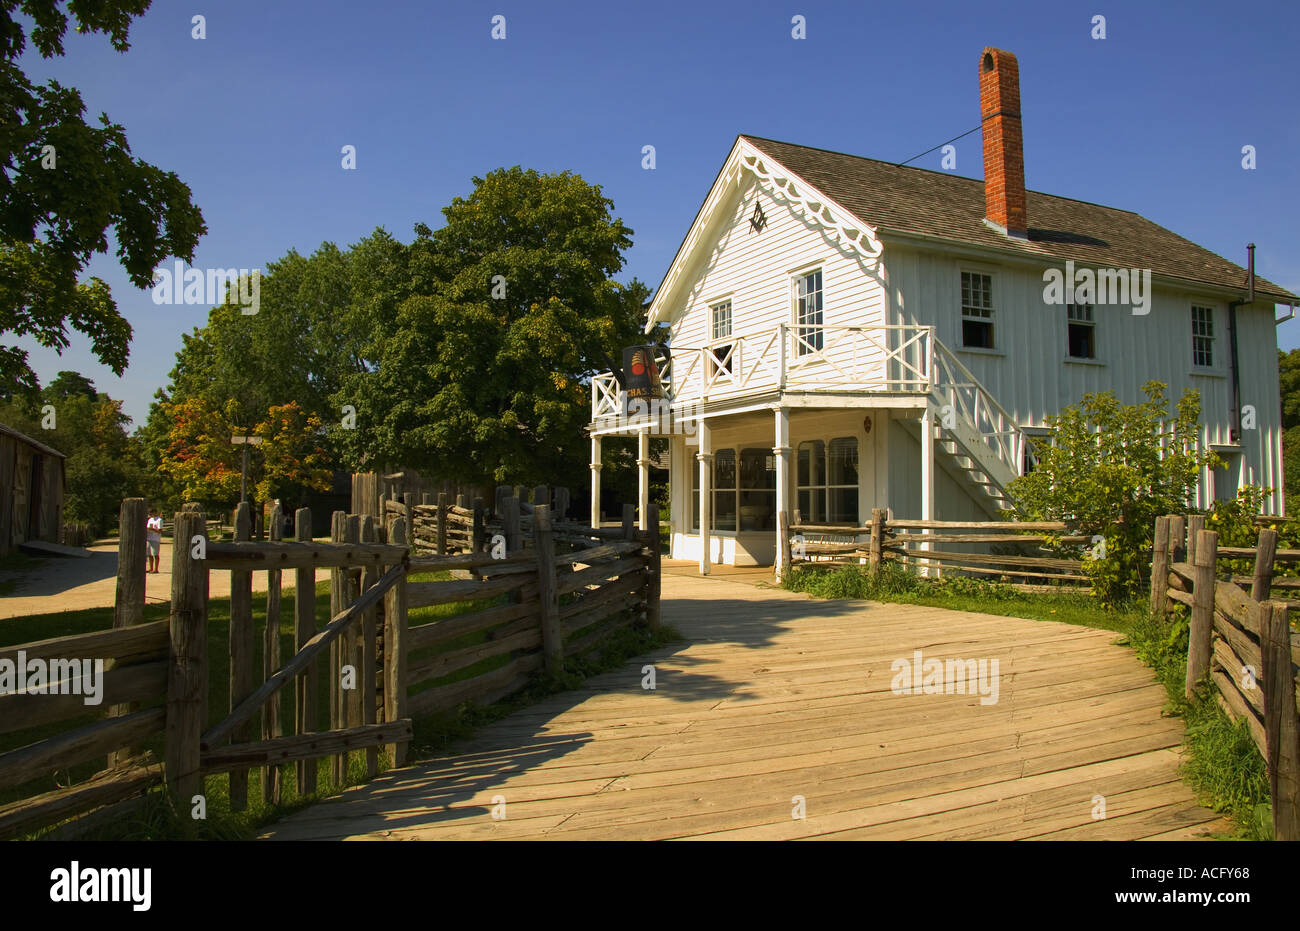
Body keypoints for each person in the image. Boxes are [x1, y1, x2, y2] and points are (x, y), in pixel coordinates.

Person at [146, 509, 163, 574]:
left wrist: (152, 529)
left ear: (155, 512)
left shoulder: (159, 520)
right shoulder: (150, 519)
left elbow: (160, 531)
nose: (150, 514)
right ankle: (151, 568)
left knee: (155, 554)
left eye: (151, 513)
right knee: (149, 554)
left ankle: (156, 569)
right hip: (149, 538)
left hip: (155, 539)